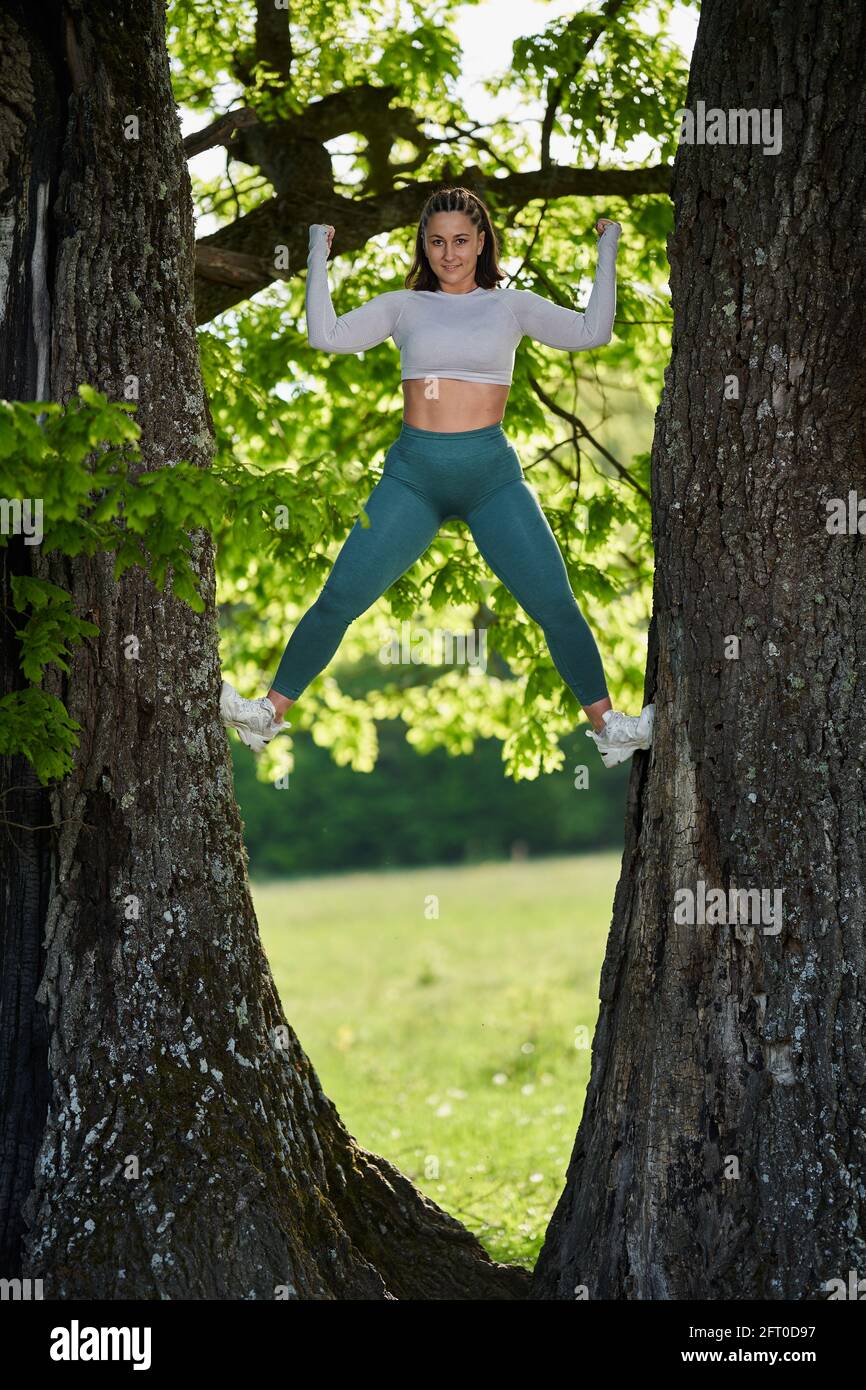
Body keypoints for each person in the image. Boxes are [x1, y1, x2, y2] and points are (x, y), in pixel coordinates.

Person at [220, 186, 654, 769]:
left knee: (555, 603)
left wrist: (607, 252)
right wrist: (316, 257)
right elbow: (326, 336)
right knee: (340, 598)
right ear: (425, 246)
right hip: (414, 477)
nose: (449, 253)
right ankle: (266, 715)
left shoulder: (511, 306)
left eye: (460, 241)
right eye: (437, 241)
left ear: (481, 242)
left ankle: (610, 730)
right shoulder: (405, 306)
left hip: (491, 476)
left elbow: (591, 332)